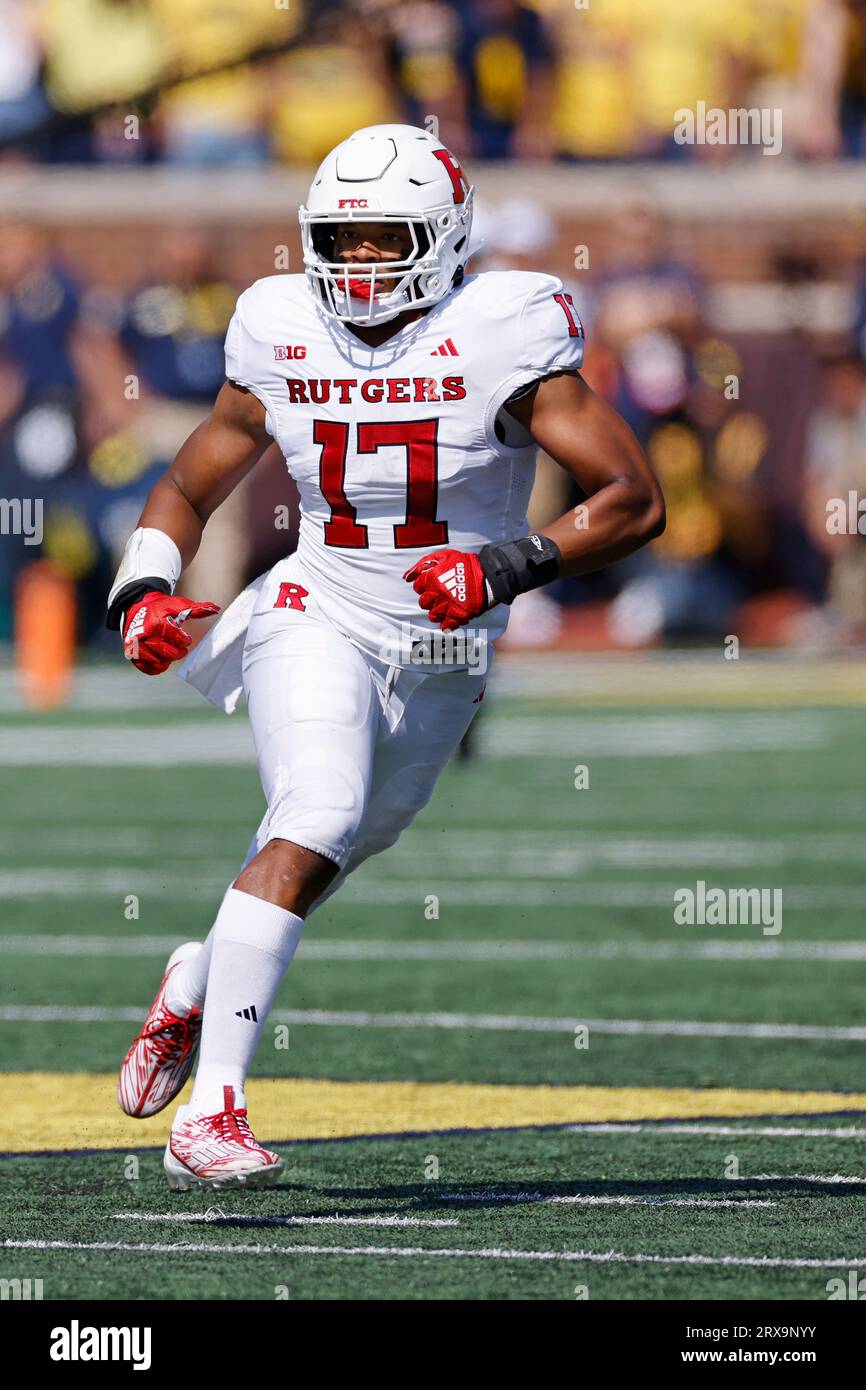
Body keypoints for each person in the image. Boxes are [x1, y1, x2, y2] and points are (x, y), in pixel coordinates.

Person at [106, 124, 664, 1191]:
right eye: (342, 239)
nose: (359, 263)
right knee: (313, 813)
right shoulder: (277, 325)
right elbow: (188, 480)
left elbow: (633, 500)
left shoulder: (502, 328)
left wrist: (502, 567)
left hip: (447, 646)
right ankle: (211, 1111)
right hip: (316, 609)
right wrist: (140, 589)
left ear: (443, 235)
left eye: (384, 237)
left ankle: (202, 971)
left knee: (333, 848)